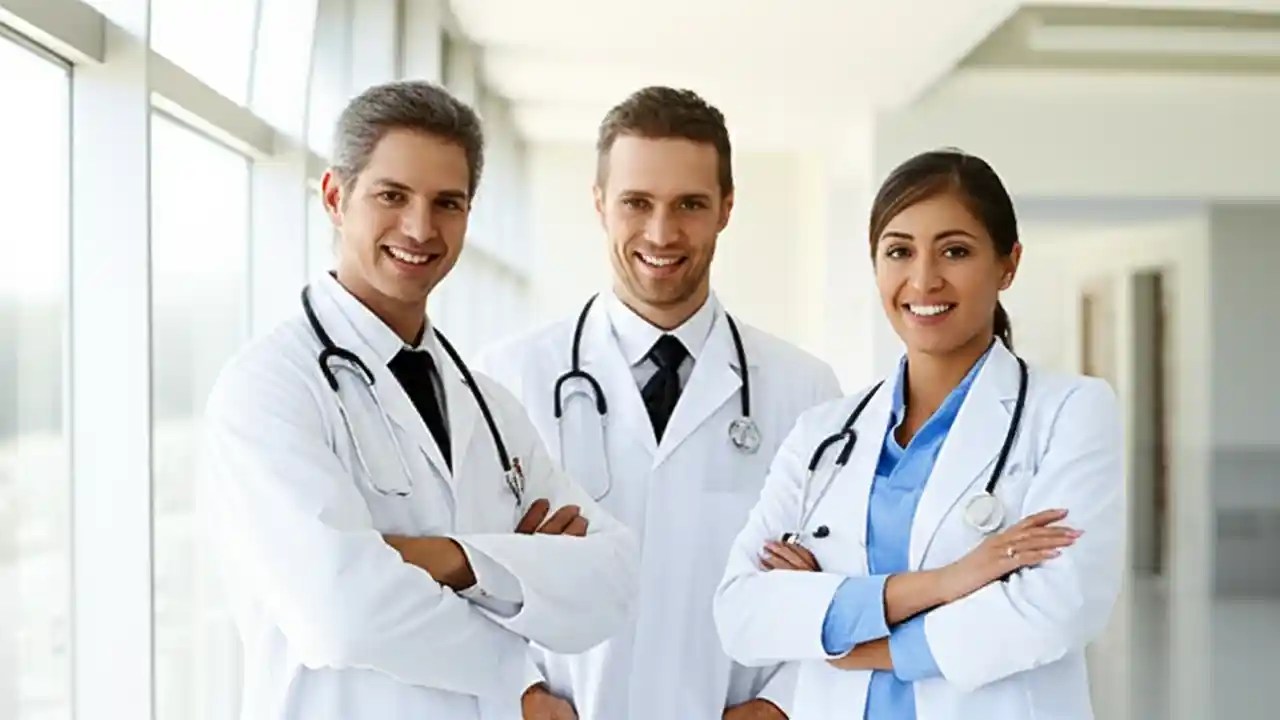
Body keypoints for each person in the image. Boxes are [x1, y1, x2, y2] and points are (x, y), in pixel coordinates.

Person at [200, 80, 637, 720]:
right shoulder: (269, 389)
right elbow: (339, 611)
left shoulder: (486, 405)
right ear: (334, 197)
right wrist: (516, 656)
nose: (420, 228)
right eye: (392, 195)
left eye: (447, 203)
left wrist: (445, 558)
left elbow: (613, 580)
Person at [712, 149, 1125, 719]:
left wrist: (854, 638)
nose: (923, 279)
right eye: (899, 251)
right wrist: (950, 581)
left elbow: (1056, 607)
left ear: (1009, 264)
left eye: (955, 251)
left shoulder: (1070, 413)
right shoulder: (823, 434)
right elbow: (742, 613)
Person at [477, 86, 842, 720]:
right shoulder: (508, 379)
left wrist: (784, 704)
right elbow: (462, 575)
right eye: (636, 203)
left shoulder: (805, 392)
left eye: (690, 205)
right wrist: (518, 693)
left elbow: (837, 586)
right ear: (599, 205)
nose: (661, 232)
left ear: (726, 208)